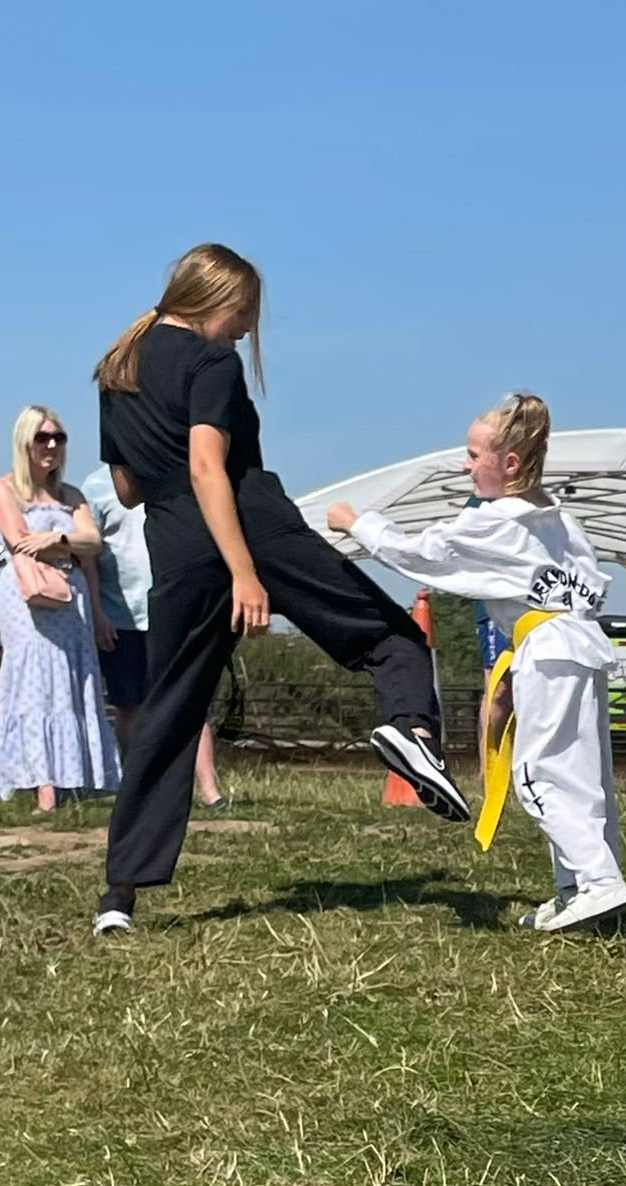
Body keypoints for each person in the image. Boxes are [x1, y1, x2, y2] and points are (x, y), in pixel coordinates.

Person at [91, 243, 466, 936]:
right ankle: (411, 729)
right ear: (219, 301)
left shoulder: (117, 371)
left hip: (171, 542)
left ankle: (119, 896)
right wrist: (242, 571)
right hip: (247, 522)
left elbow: (125, 486)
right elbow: (209, 467)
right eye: (245, 314)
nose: (244, 329)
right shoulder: (211, 362)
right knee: (390, 635)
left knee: (169, 712)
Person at [329, 394, 626, 931]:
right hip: (579, 645)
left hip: (549, 647)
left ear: (509, 463)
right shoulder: (557, 518)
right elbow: (593, 586)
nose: (464, 466)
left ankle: (599, 882)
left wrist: (357, 524)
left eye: (473, 455)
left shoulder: (496, 520)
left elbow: (422, 553)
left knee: (539, 774)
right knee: (584, 775)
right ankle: (577, 887)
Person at [0, 406, 120, 811]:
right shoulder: (5, 489)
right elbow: (19, 540)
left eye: (58, 438)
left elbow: (93, 544)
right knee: (33, 678)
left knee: (72, 678)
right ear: (24, 443)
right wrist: (66, 539)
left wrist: (56, 539)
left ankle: (77, 776)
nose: (50, 446)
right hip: (29, 595)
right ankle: (39, 780)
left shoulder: (73, 495)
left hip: (74, 595)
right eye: (42, 438)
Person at [80, 464, 228, 809]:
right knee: (130, 706)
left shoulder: (179, 472)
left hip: (177, 609)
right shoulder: (96, 486)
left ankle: (210, 791)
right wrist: (97, 614)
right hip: (121, 615)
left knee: (192, 702)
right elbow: (89, 558)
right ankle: (139, 789)